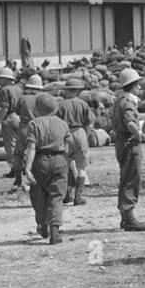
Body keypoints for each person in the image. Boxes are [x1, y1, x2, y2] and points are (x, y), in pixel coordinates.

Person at [19, 92, 71, 244]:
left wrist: (27, 168)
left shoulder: (33, 124)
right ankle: (55, 231)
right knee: (57, 195)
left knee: (39, 194)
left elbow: (31, 147)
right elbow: (68, 146)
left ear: (37, 108)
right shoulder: (62, 123)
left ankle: (42, 224)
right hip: (59, 159)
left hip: (40, 161)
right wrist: (66, 162)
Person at [111, 67, 145, 231]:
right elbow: (130, 122)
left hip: (122, 142)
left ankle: (125, 216)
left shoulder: (119, 101)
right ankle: (129, 217)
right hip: (129, 143)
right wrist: (140, 133)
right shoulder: (127, 102)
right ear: (133, 85)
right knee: (132, 179)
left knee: (125, 177)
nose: (140, 88)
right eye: (138, 85)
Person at [57, 78, 94, 206]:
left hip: (65, 134)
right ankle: (78, 197)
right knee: (81, 167)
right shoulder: (83, 104)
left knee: (65, 167)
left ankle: (67, 196)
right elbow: (89, 122)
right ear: (78, 91)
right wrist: (87, 138)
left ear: (67, 90)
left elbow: (56, 123)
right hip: (80, 133)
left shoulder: (60, 105)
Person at [0, 66, 25, 180]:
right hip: (19, 117)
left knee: (10, 146)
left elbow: (4, 108)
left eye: (0, 78)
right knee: (20, 144)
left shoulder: (4, 90)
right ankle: (23, 166)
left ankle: (14, 170)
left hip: (9, 118)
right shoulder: (18, 88)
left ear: (6, 79)